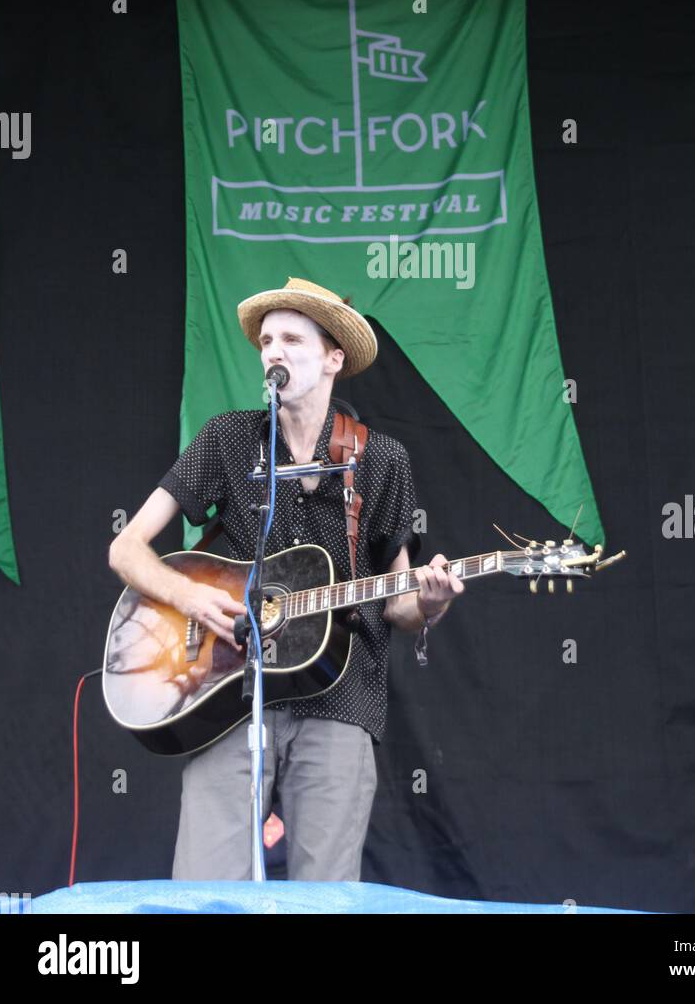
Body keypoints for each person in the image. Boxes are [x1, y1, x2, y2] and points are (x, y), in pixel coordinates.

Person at [108, 277, 464, 881]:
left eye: (293, 339)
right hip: (232, 692)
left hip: (341, 698)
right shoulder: (227, 439)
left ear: (333, 359)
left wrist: (431, 604)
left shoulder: (382, 460)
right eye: (267, 340)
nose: (274, 351)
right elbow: (127, 548)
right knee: (206, 890)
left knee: (324, 898)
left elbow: (401, 606)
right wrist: (188, 594)